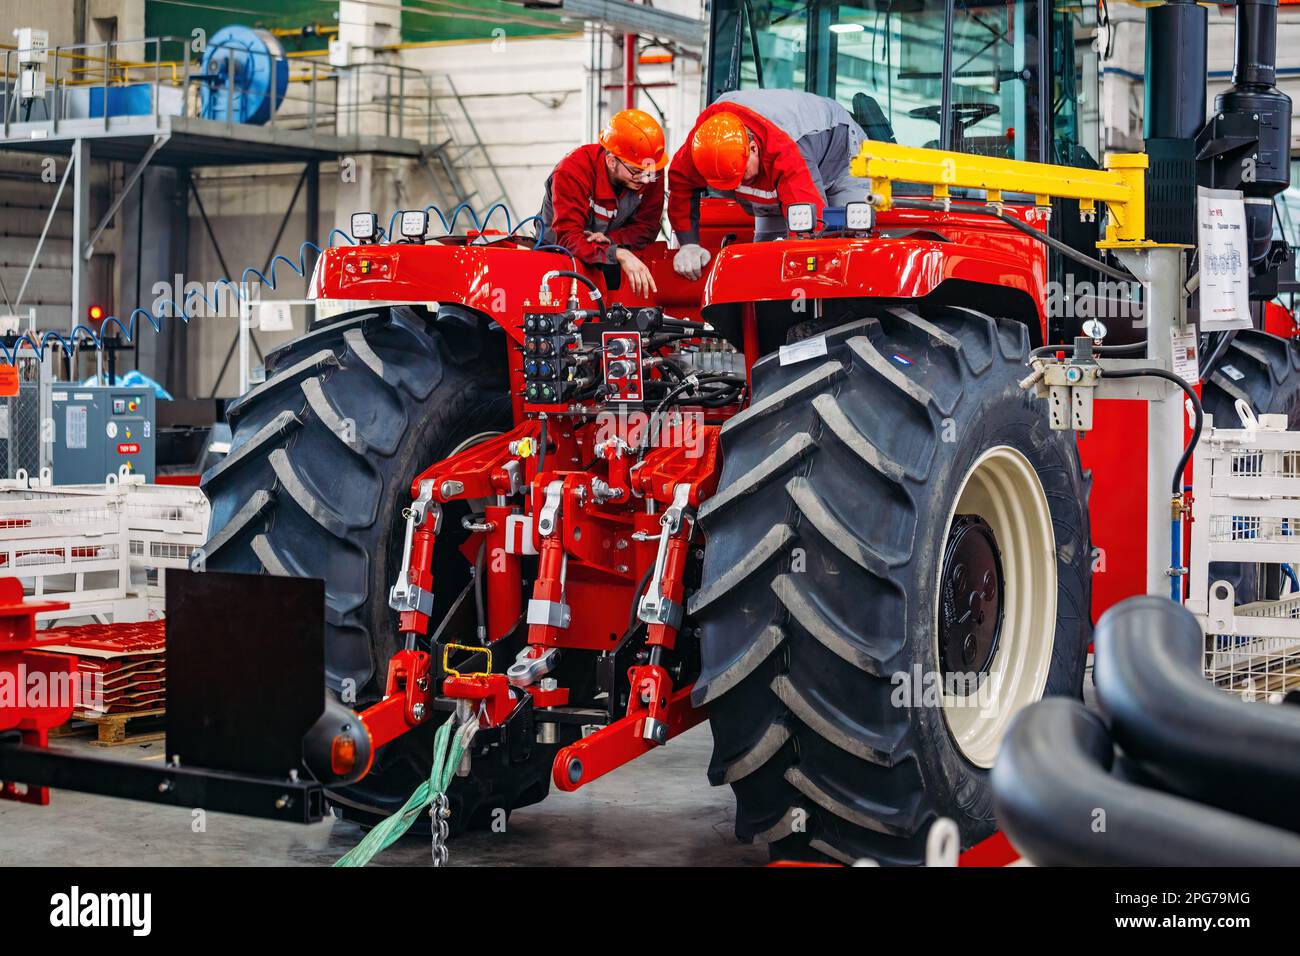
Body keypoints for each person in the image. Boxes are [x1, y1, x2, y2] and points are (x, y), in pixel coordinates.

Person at [667, 89, 869, 280]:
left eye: (741, 175)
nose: (737, 186)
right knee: (766, 257)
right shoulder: (701, 148)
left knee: (845, 247)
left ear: (753, 148)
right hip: (780, 170)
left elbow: (811, 223)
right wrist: (689, 244)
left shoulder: (784, 151)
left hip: (843, 155)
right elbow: (680, 186)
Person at [537, 108, 667, 297]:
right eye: (635, 171)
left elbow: (646, 228)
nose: (646, 179)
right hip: (557, 261)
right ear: (612, 161)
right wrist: (617, 253)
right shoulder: (572, 171)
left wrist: (611, 241)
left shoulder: (648, 169)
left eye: (650, 172)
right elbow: (566, 238)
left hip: (609, 265)